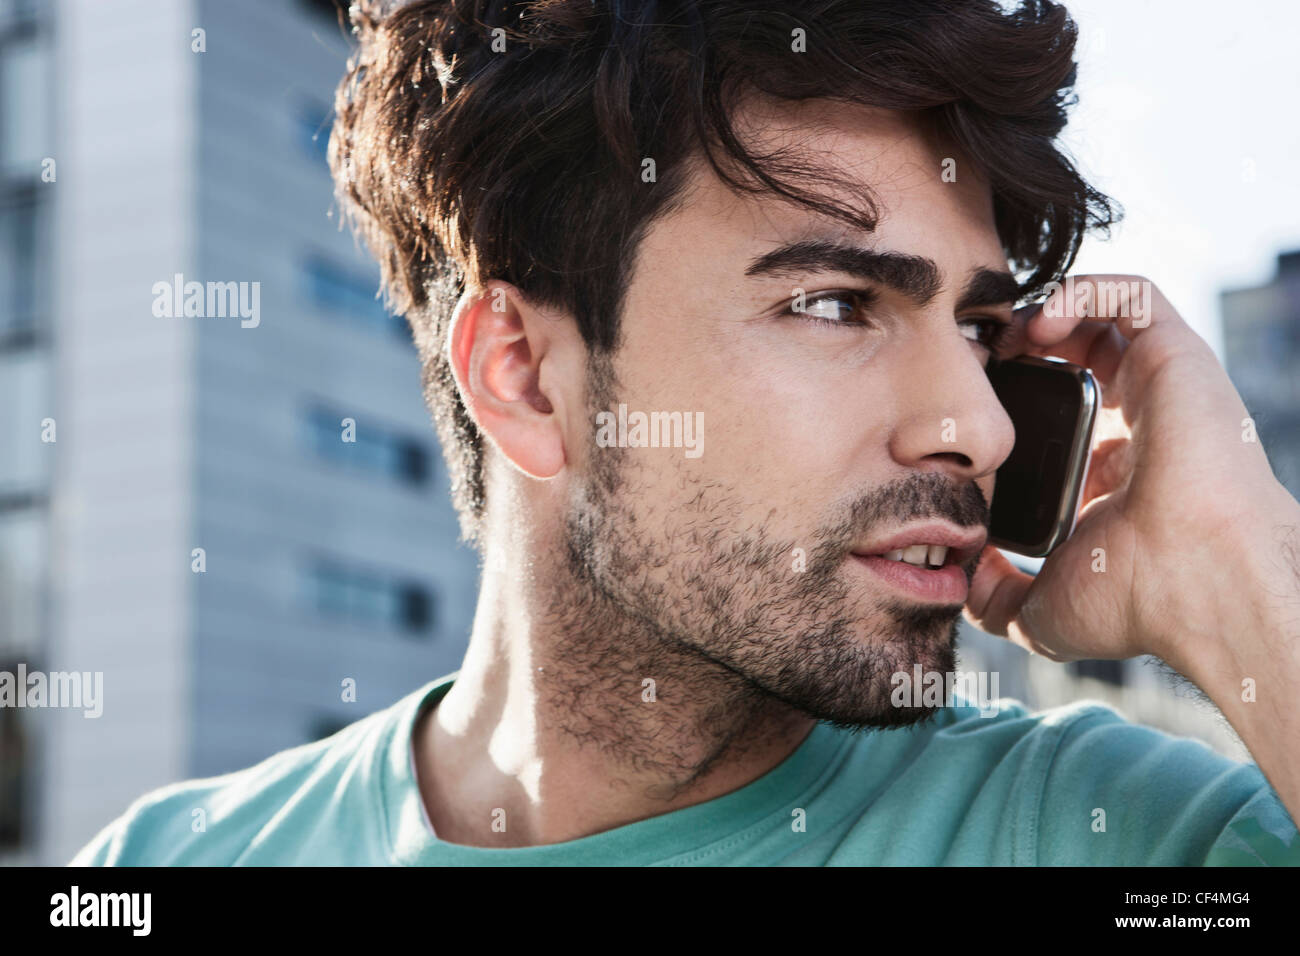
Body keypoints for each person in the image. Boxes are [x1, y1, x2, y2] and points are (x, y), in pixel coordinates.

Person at [72, 0, 1300, 866]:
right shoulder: (164, 862)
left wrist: (1240, 574)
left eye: (979, 327)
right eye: (834, 302)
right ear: (524, 379)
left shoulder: (1112, 834)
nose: (978, 426)